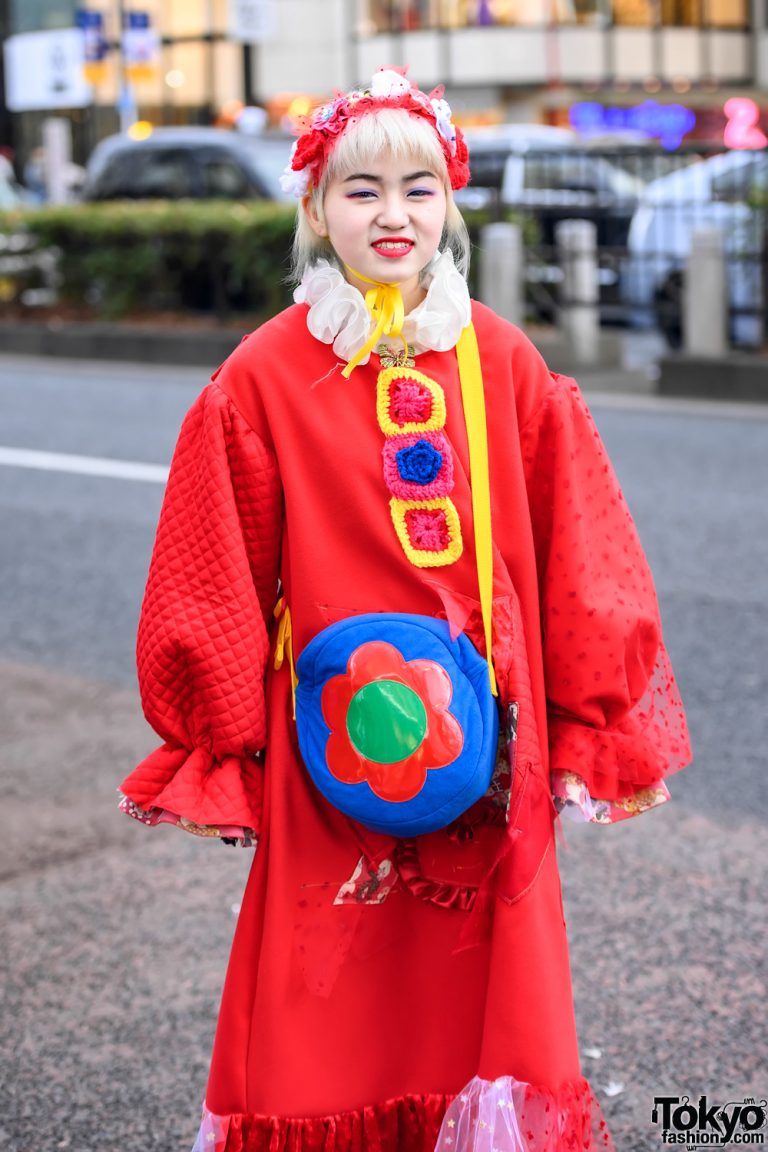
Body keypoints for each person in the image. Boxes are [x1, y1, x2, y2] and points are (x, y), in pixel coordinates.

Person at [120, 67, 691, 1152]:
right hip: (322, 743)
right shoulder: (260, 377)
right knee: (323, 969)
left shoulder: (504, 359)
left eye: (419, 188)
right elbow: (213, 567)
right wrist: (225, 742)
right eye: (362, 190)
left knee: (480, 970)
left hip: (490, 743)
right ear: (315, 209)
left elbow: (582, 552)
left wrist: (582, 722)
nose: (393, 215)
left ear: (451, 204)